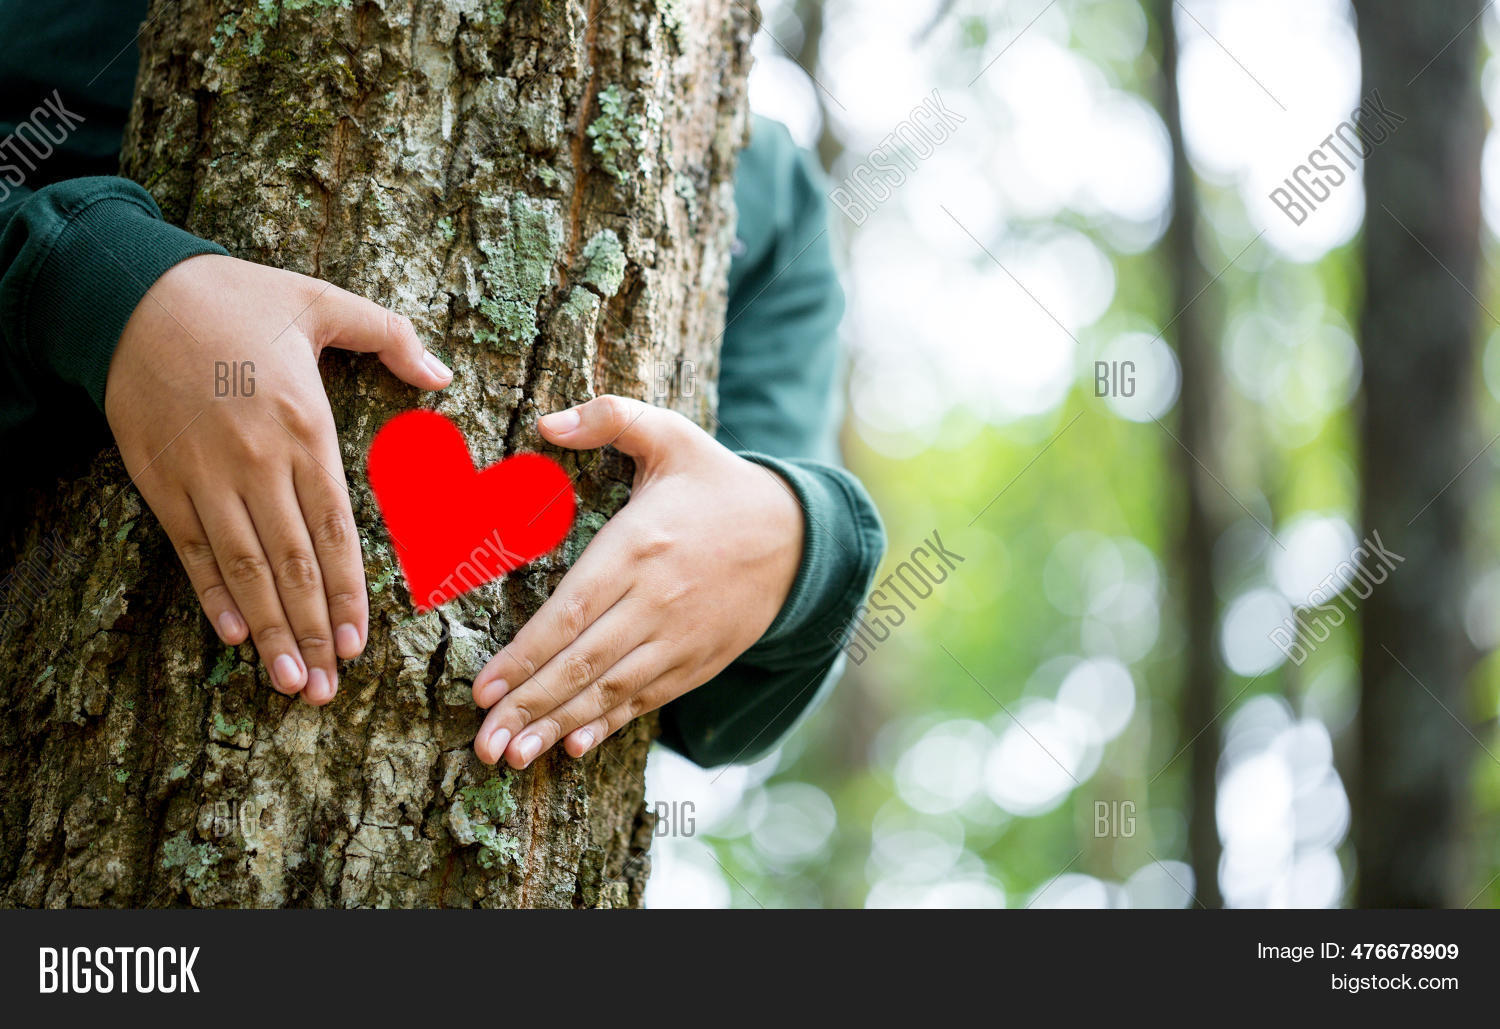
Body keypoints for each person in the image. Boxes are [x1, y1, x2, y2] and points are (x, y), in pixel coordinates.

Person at [0, 2, 884, 771]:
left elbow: (721, 702)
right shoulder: (74, 27)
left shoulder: (759, 185)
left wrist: (794, 538)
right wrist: (100, 286)